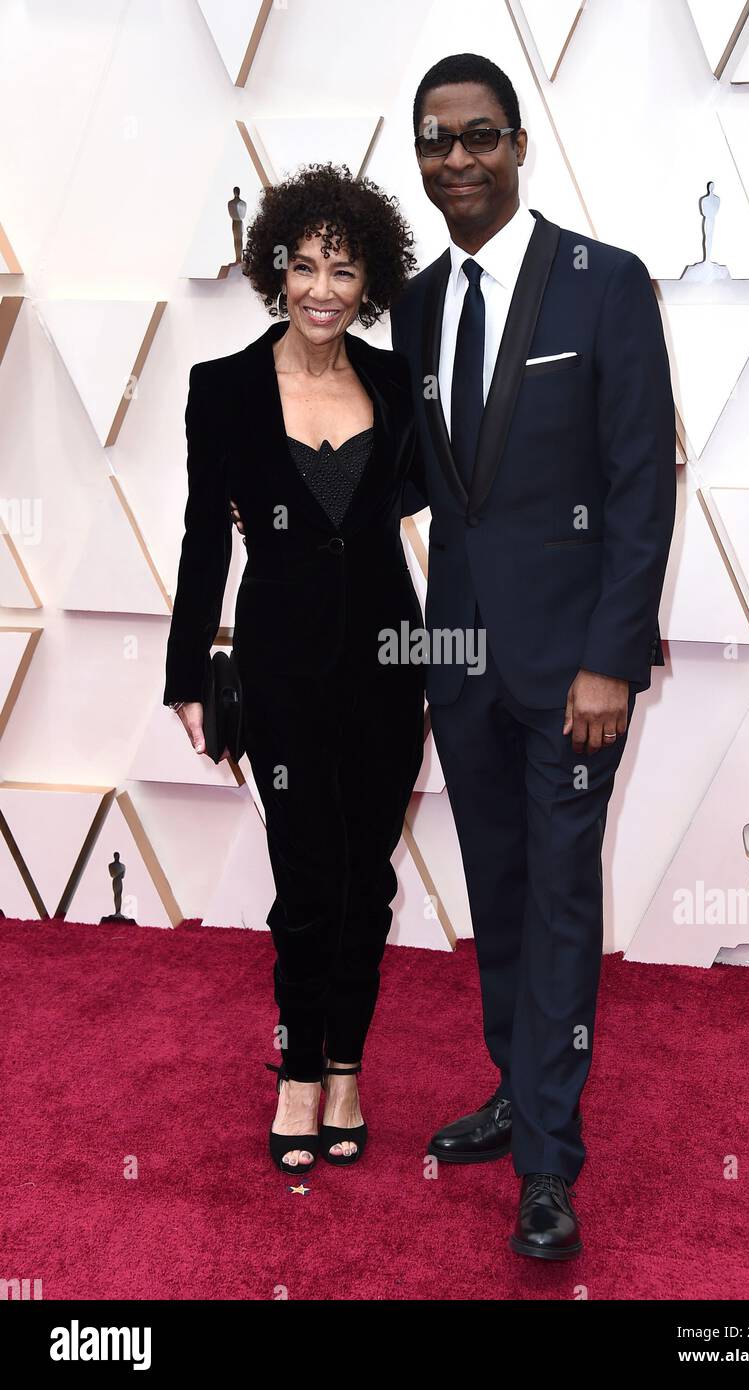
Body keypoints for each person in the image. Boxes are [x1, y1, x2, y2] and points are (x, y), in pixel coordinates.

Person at [388, 53, 677, 1260]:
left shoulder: (599, 283)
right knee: (497, 898)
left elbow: (637, 478)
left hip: (572, 678)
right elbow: (423, 480)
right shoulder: (411, 303)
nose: (455, 158)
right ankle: (517, 1089)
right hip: (459, 664)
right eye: (434, 141)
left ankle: (551, 1167)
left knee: (559, 902)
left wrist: (609, 656)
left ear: (517, 144)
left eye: (477, 136)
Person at [163, 163, 425, 1174]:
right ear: (277, 269)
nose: (322, 288)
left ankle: (349, 1066)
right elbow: (201, 541)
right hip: (277, 669)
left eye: (343, 269)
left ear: (370, 282)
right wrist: (188, 674)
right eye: (304, 266)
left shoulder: (396, 384)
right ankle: (297, 1075)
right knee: (305, 882)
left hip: (388, 665)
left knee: (367, 882)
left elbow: (448, 513)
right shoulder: (221, 387)